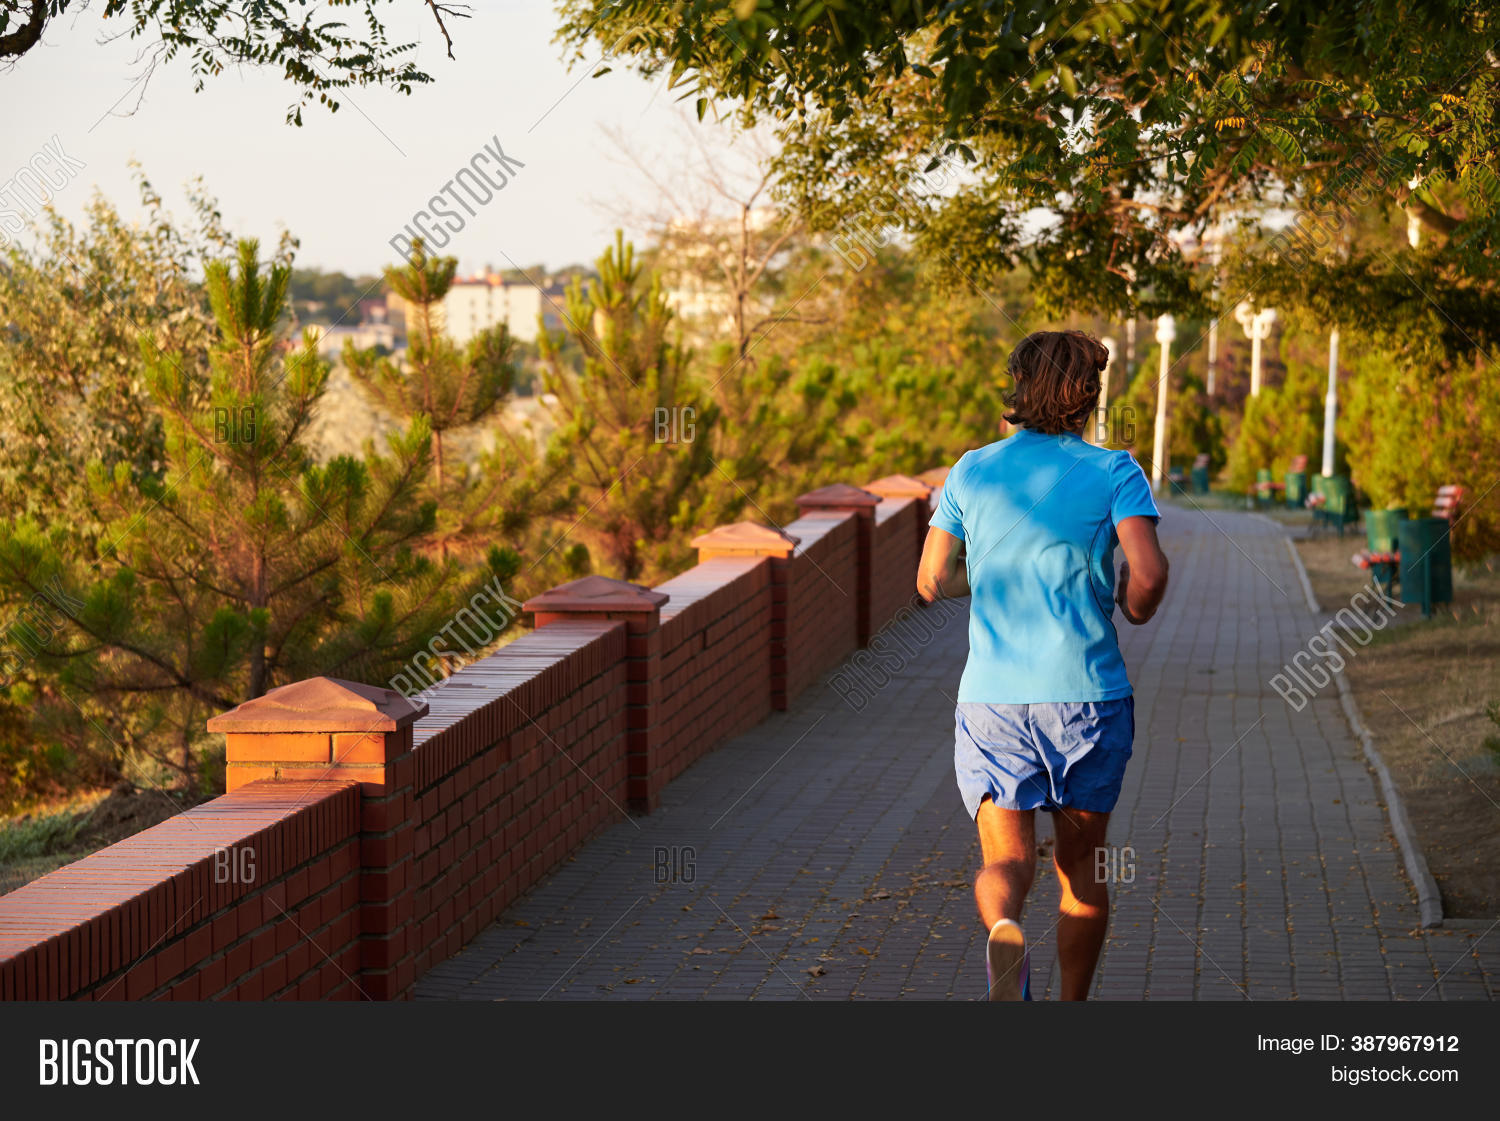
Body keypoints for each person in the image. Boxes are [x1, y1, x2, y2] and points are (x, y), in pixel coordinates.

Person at [916, 329, 1169, 1001]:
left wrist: (990, 572)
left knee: (1004, 859)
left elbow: (932, 577)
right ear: (1088, 394)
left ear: (1019, 387)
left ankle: (1003, 925)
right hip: (1087, 697)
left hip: (993, 701)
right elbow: (1148, 572)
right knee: (1082, 869)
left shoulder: (972, 468)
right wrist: (1133, 608)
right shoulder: (1116, 472)